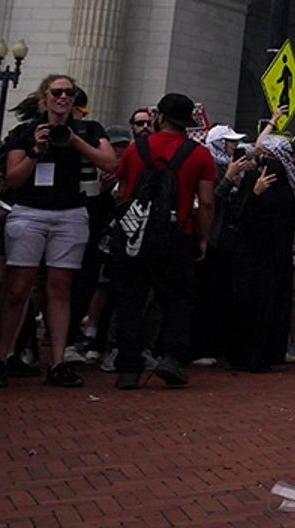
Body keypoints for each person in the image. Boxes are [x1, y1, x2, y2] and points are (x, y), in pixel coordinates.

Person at [0, 74, 115, 389]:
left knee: (60, 289)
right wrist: (35, 149)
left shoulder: (89, 129)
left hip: (70, 213)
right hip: (29, 212)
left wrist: (75, 141)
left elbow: (110, 162)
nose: (63, 97)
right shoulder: (25, 131)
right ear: (45, 96)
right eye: (57, 92)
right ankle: (0, 361)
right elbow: (13, 179)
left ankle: (57, 363)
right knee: (18, 289)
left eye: (69, 93)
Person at [108, 92, 214, 390]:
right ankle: (172, 358)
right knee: (179, 298)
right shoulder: (199, 154)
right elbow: (206, 202)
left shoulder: (135, 149)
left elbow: (121, 192)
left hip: (135, 235)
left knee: (131, 298)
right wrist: (203, 237)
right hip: (178, 234)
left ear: (160, 118)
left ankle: (129, 367)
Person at [218, 135, 295, 373]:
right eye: (264, 155)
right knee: (248, 303)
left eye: (272, 157)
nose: (266, 160)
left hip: (278, 255)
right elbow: (240, 214)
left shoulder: (291, 185)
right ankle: (244, 355)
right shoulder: (253, 180)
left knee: (273, 304)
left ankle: (269, 354)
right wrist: (254, 193)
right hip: (250, 254)